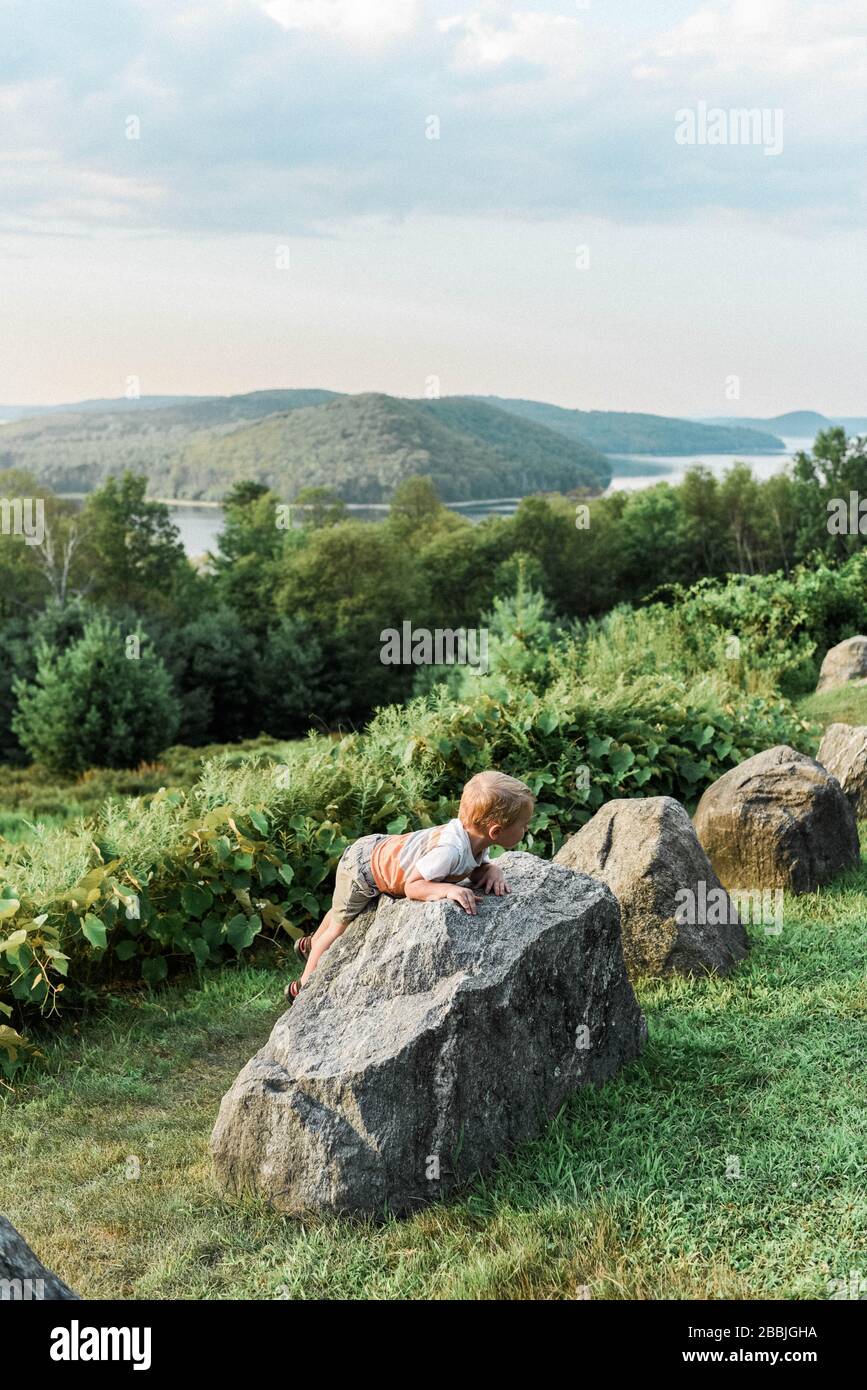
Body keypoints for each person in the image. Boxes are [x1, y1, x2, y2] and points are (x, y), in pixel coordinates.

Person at [285, 770, 535, 1000]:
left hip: (381, 848)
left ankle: (308, 944)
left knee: (340, 908)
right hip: (364, 868)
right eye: (523, 826)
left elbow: (478, 867)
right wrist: (447, 890)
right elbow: (412, 886)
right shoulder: (449, 850)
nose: (526, 829)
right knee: (338, 926)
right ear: (495, 831)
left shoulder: (475, 840)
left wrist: (492, 870)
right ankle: (303, 986)